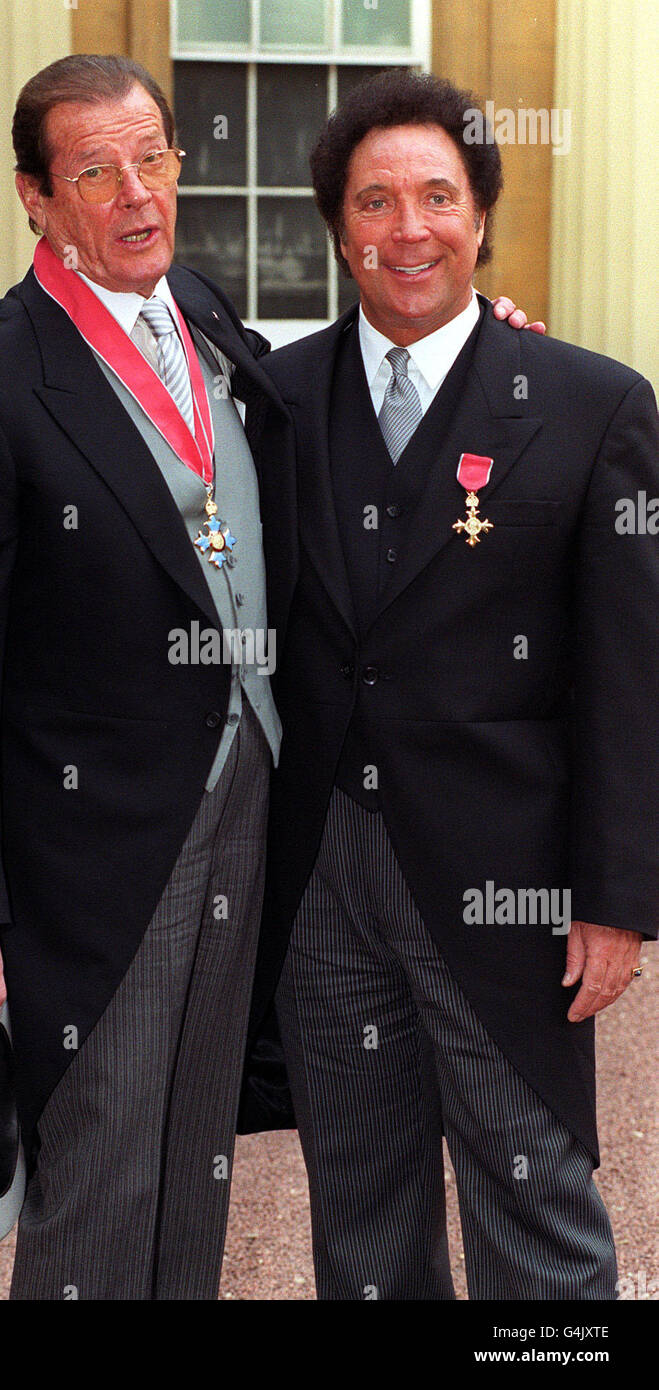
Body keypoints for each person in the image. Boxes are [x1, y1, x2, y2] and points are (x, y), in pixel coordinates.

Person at [0, 53, 531, 1301]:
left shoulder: (212, 314)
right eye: (92, 172)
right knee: (101, 1172)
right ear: (33, 196)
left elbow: (344, 399)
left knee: (199, 1159)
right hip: (94, 843)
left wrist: (472, 341)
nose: (135, 196)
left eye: (153, 160)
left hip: (246, 804)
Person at [244, 68, 658, 1300]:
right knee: (360, 1226)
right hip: (319, 876)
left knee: (536, 1214)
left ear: (480, 215)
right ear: (337, 227)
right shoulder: (265, 400)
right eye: (374, 201)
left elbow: (630, 675)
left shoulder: (592, 406)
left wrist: (618, 898)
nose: (406, 228)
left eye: (435, 195)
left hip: (506, 881)